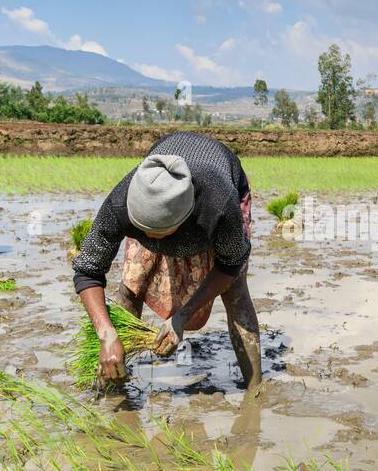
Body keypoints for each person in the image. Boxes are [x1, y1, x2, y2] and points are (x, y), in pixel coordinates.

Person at [72, 131, 262, 394]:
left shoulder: (218, 204)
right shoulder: (121, 202)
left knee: (236, 291)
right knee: (130, 285)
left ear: (184, 219)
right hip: (160, 195)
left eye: (159, 232)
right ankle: (109, 383)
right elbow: (87, 269)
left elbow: (230, 265)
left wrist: (180, 318)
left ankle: (255, 390)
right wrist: (106, 333)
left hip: (219, 180)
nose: (150, 238)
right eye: (143, 229)